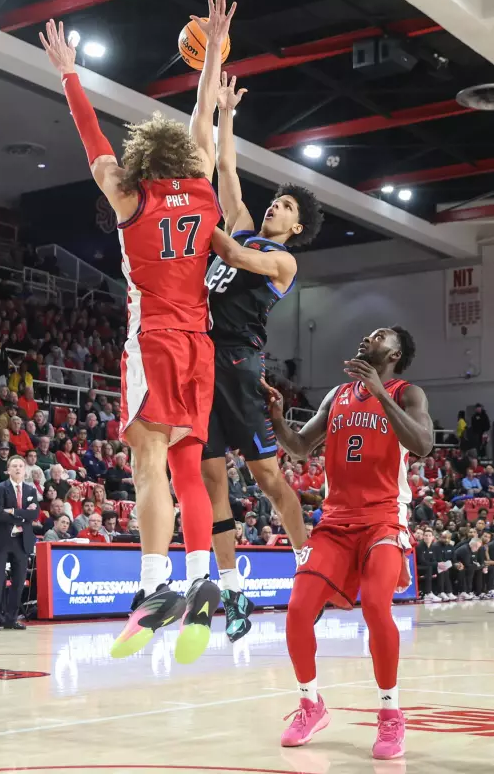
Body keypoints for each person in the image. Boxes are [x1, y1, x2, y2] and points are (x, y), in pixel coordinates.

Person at [39, 0, 274, 665]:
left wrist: (70, 76)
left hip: (154, 343)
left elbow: (94, 146)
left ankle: (152, 590)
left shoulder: (127, 193)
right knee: (188, 469)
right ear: (185, 161)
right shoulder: (201, 190)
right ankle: (202, 583)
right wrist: (216, 54)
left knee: (147, 465)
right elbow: (201, 122)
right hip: (200, 345)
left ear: (142, 161)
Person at [264, 326, 433, 759]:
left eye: (378, 336)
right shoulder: (337, 395)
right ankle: (310, 704)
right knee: (299, 609)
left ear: (394, 354)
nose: (367, 338)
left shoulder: (408, 392)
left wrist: (381, 394)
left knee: (376, 606)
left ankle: (391, 715)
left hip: (382, 518)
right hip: (336, 520)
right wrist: (279, 417)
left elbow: (424, 444)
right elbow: (300, 447)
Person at [200, 71, 324, 643]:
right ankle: (232, 593)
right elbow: (227, 172)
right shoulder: (246, 227)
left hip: (239, 366)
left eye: (285, 206)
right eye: (275, 199)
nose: (275, 206)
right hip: (203, 358)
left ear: (295, 227)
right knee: (209, 480)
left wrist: (194, 220)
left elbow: (224, 247)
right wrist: (227, 113)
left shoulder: (281, 261)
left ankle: (309, 565)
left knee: (268, 478)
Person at [0, 456, 38, 631]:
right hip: (2, 539)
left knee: (18, 582)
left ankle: (11, 618)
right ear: (8, 470)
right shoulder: (1, 488)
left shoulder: (31, 490)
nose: (18, 469)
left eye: (20, 466)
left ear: (25, 470)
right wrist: (22, 513)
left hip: (21, 541)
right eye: (14, 466)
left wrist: (14, 511)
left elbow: (34, 514)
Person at [416, 527, 440, 602]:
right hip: (419, 567)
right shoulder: (419, 546)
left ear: (433, 537)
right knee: (429, 568)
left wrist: (439, 564)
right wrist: (436, 564)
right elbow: (422, 561)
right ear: (423, 537)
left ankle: (442, 592)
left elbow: (434, 560)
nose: (427, 537)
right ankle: (428, 592)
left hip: (428, 567)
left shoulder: (434, 547)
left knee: (444, 568)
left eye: (429, 535)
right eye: (426, 535)